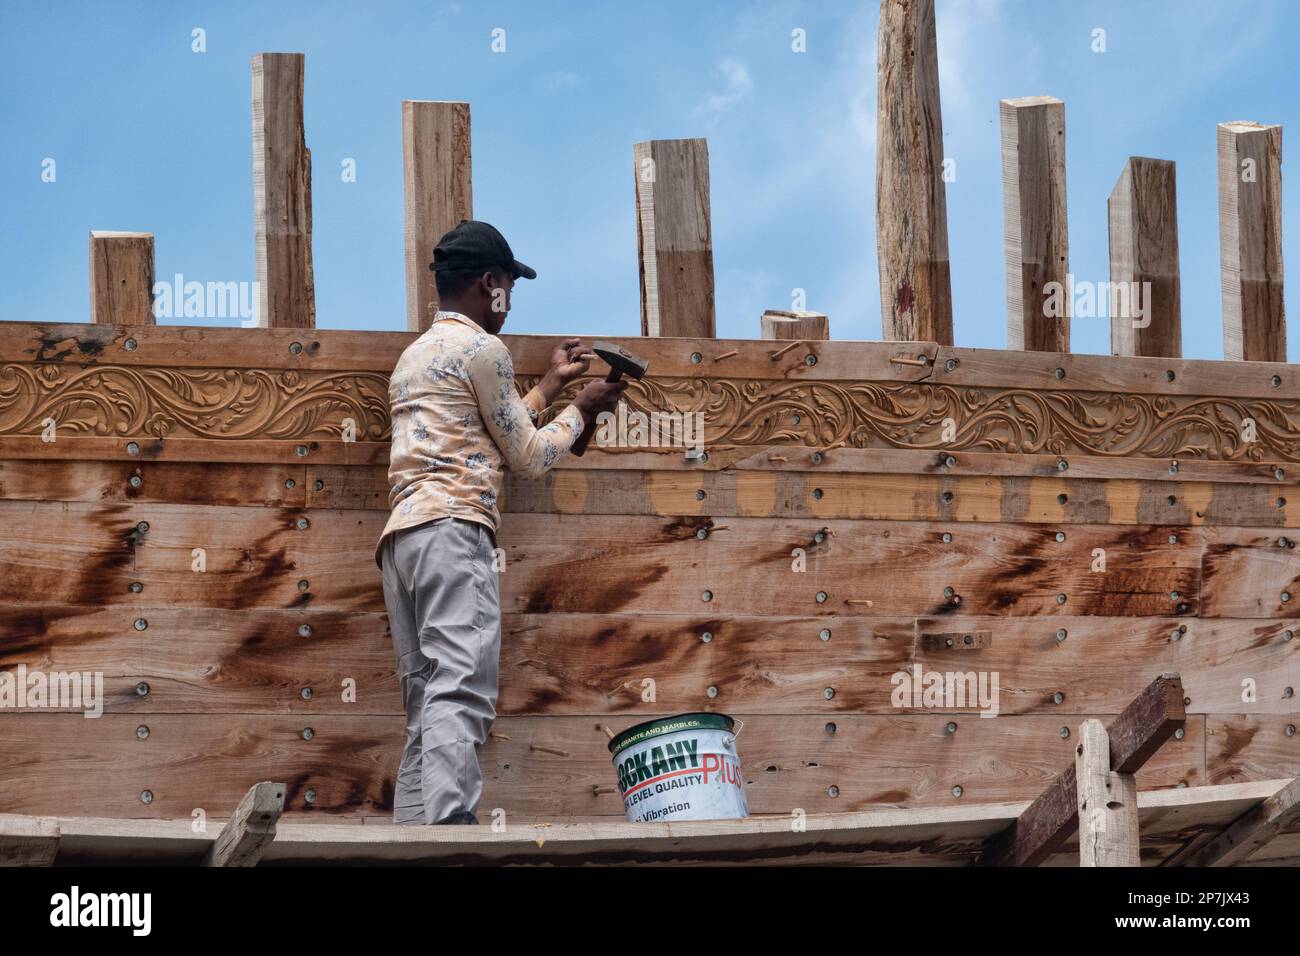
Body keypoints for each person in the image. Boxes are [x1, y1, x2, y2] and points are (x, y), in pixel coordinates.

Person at [375, 220, 626, 825]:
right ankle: (451, 834)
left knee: (427, 695)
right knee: (461, 687)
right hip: (455, 534)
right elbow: (530, 456)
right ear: (490, 283)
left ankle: (418, 837)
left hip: (403, 541)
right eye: (509, 285)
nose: (510, 301)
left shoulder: (417, 357)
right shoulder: (484, 351)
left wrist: (546, 386)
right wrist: (581, 409)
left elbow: (481, 431)